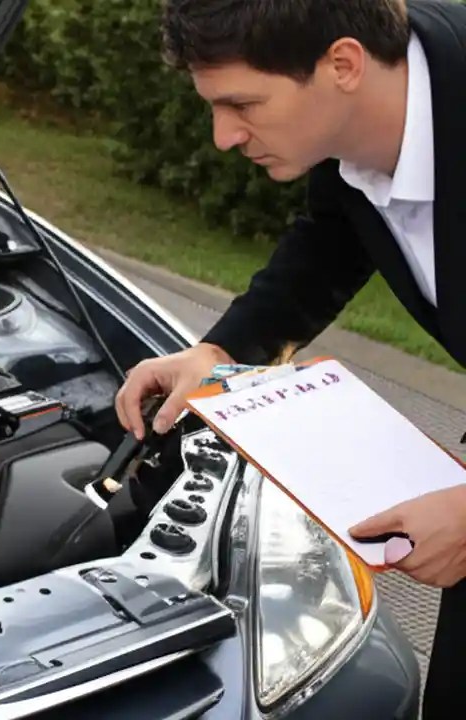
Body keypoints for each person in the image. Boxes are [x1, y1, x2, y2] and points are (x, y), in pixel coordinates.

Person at [117, 0, 466, 715]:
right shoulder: (359, 126)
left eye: (242, 104)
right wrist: (217, 353)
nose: (222, 136)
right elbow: (330, 238)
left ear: (343, 64)